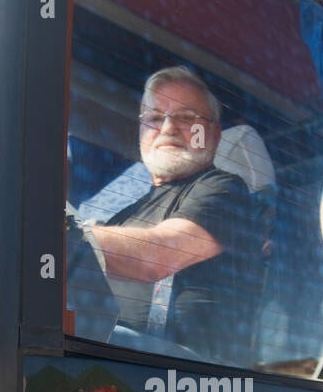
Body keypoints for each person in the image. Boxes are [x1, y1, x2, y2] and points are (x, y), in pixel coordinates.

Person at [86, 66, 260, 364]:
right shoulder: (125, 209)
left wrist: (69, 235)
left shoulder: (225, 189)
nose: (167, 128)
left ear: (214, 133)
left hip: (184, 374)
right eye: (155, 118)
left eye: (187, 117)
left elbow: (158, 255)